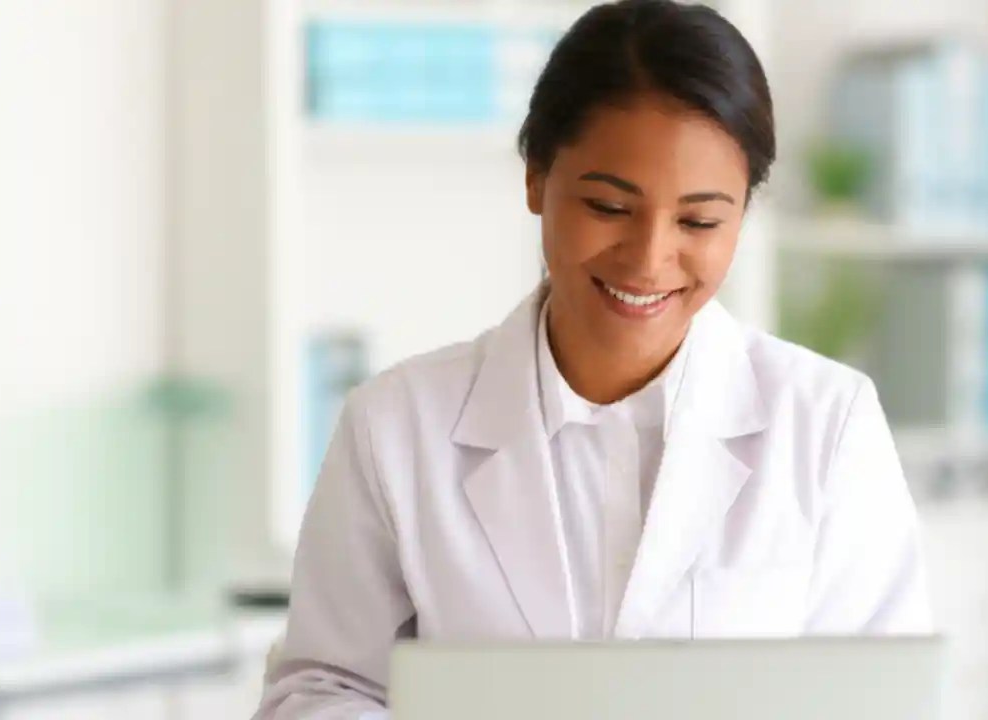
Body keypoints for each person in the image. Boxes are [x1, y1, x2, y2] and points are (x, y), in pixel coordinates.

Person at [256, 1, 931, 717]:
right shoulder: (394, 427)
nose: (648, 259)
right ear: (536, 178)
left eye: (699, 221)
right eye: (610, 207)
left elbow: (882, 699)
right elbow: (320, 692)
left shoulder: (827, 424)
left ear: (742, 214)